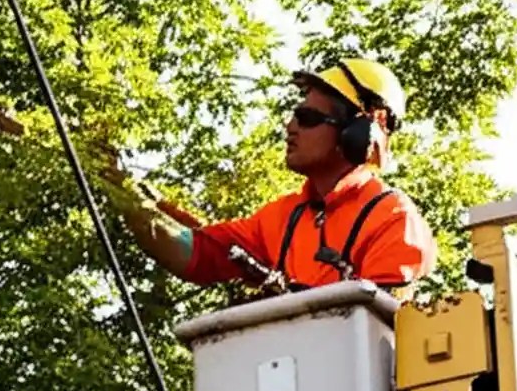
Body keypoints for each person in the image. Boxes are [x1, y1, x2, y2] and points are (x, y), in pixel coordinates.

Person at [91, 57, 437, 297]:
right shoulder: (283, 218)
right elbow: (196, 253)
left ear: (358, 134)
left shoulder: (392, 218)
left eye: (308, 118)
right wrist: (126, 193)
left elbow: (382, 329)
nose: (291, 127)